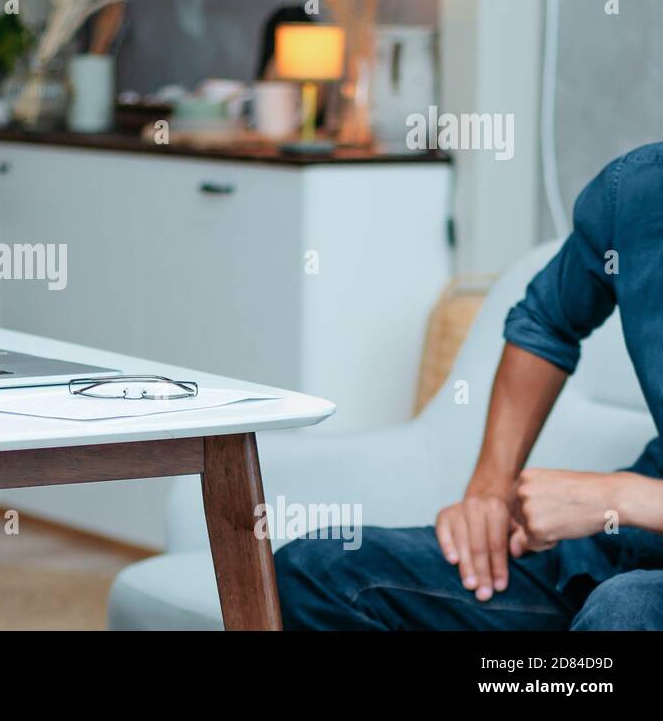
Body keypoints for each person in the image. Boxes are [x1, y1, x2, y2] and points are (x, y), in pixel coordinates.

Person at [275, 145, 663, 630]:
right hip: (622, 547)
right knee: (318, 573)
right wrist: (489, 491)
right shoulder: (638, 190)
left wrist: (624, 498)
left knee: (624, 612)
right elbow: (546, 322)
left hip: (633, 569)